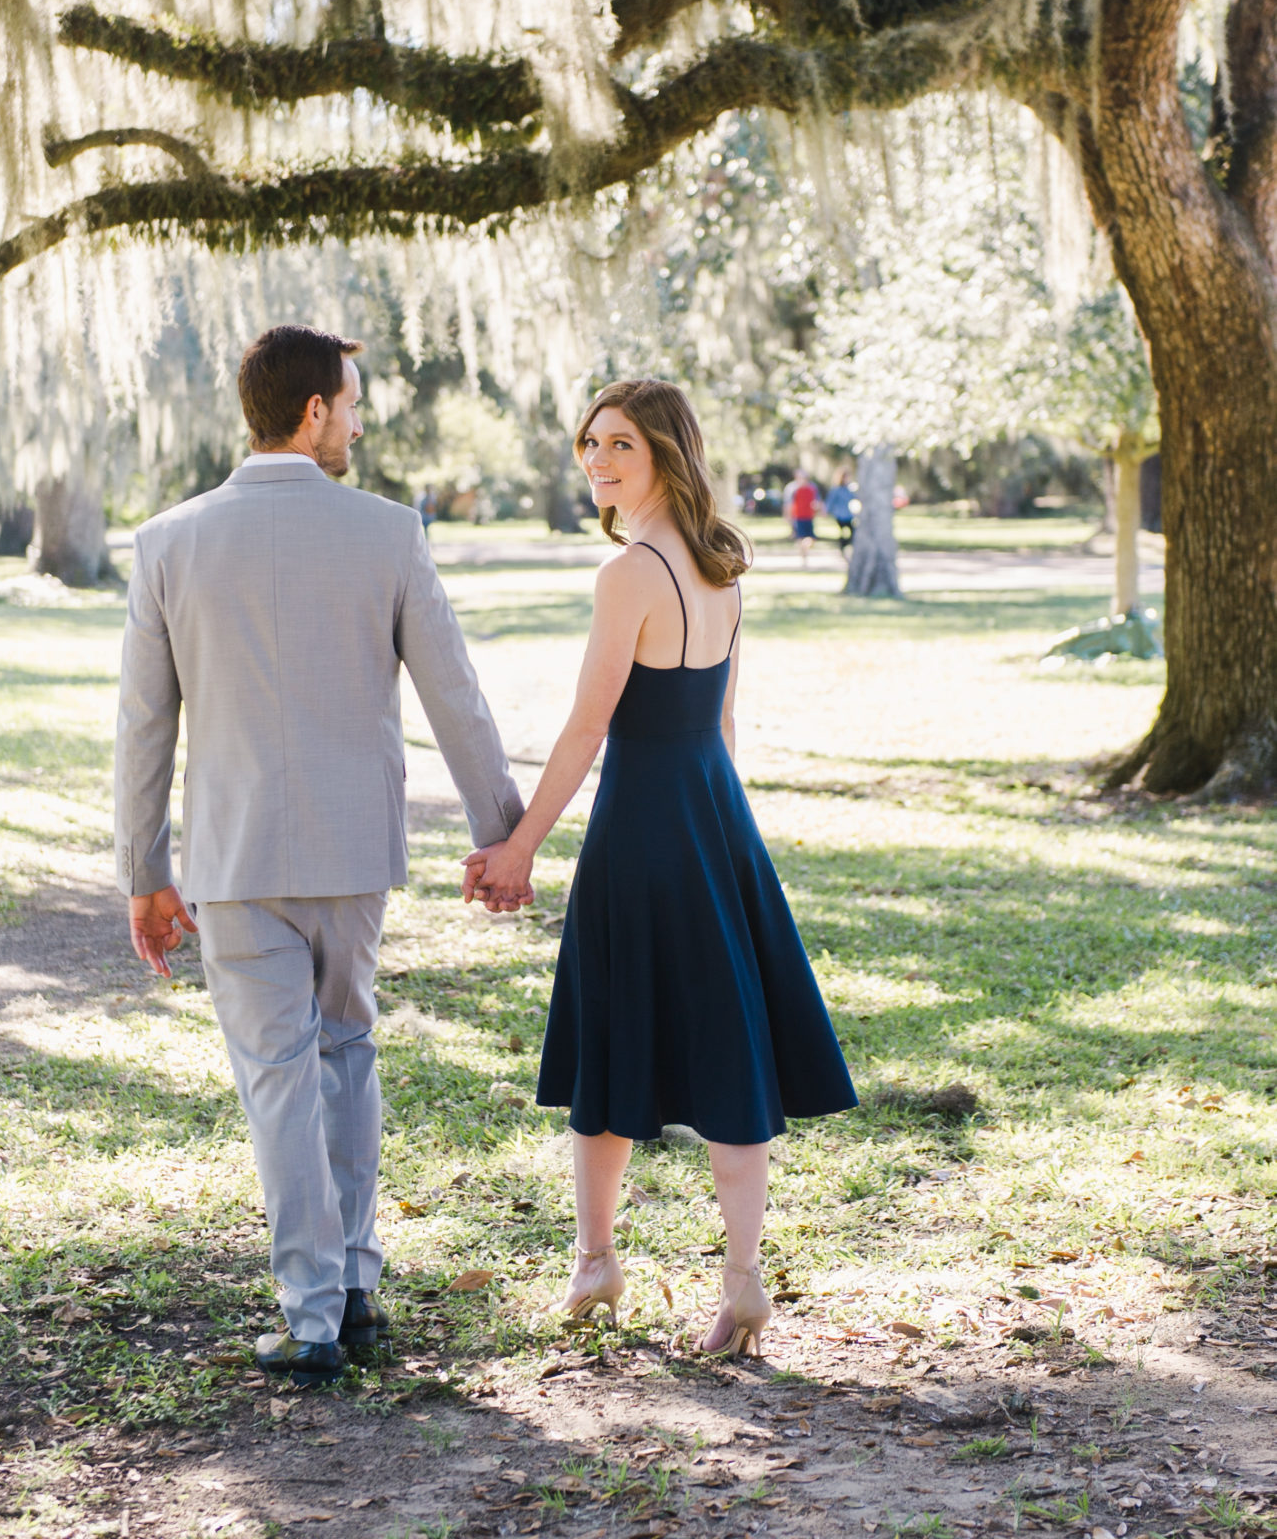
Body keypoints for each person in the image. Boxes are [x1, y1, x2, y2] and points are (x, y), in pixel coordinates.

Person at [115, 326, 522, 1389]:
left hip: (234, 855)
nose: (356, 422)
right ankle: (351, 1285)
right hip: (352, 850)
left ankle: (312, 1314)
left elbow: (142, 727)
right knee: (345, 1051)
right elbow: (455, 693)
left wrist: (143, 871)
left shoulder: (170, 539)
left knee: (277, 1078)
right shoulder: (389, 531)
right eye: (349, 404)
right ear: (309, 412)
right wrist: (501, 828)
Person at [462, 380, 855, 1359]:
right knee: (725, 1044)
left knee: (614, 1037)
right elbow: (722, 725)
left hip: (640, 828)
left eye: (620, 444)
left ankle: (597, 1258)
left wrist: (519, 844)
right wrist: (726, 833)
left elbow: (588, 727)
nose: (597, 459)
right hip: (715, 819)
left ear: (666, 452)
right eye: (588, 441)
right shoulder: (719, 563)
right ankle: (740, 1279)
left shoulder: (631, 571)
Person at [786, 466, 819, 566]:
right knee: (800, 537)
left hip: (809, 517)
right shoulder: (794, 490)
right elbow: (790, 505)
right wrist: (788, 517)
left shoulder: (811, 489)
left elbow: (816, 502)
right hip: (799, 517)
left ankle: (804, 550)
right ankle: (804, 558)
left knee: (811, 538)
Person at [825, 468, 857, 551]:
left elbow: (855, 497)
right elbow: (830, 502)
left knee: (853, 533)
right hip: (840, 515)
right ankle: (842, 547)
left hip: (849, 515)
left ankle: (847, 547)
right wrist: (827, 511)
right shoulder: (836, 489)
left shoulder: (849, 489)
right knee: (844, 533)